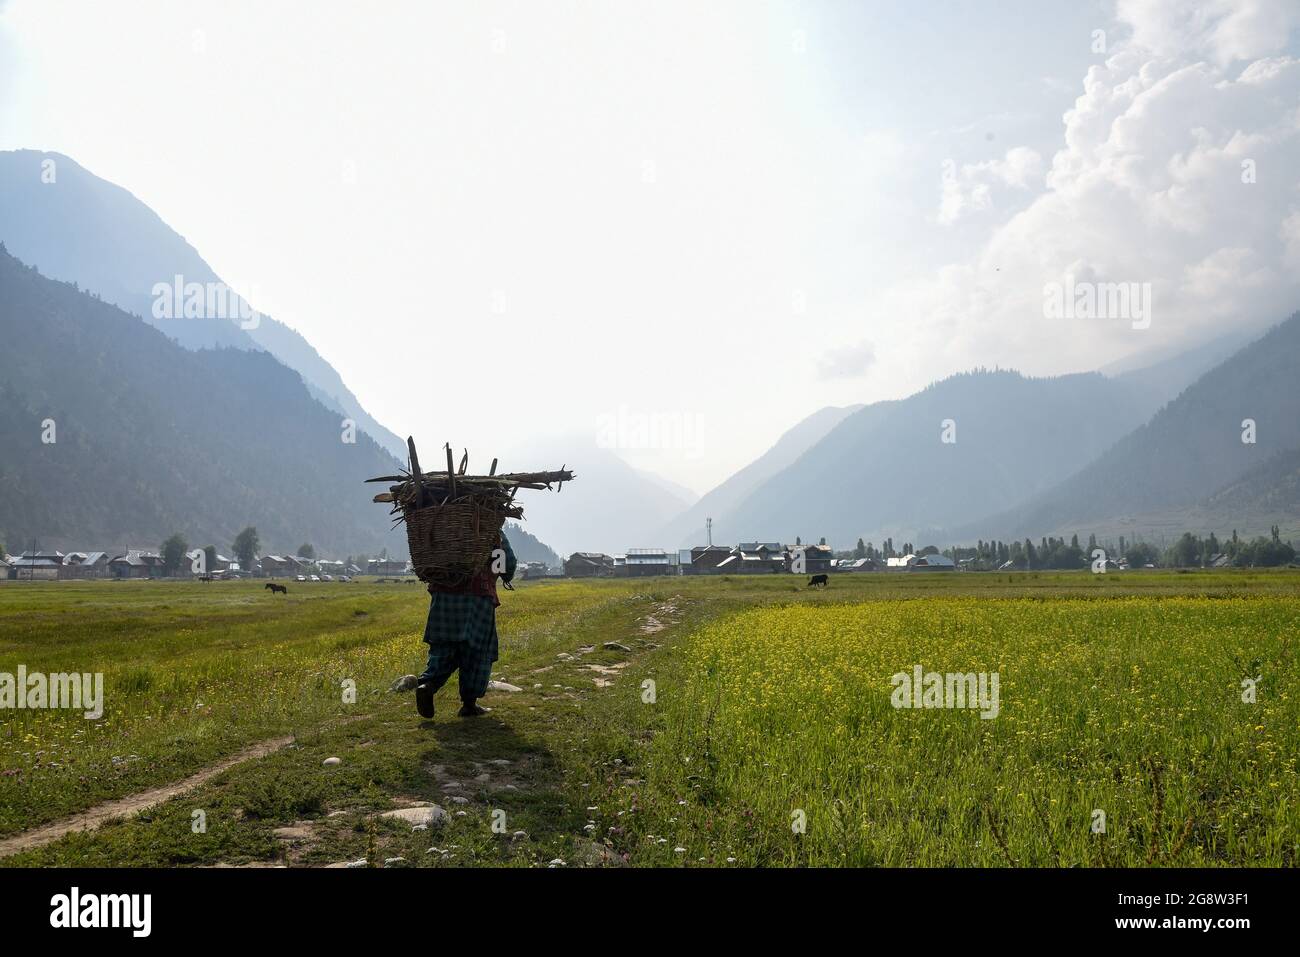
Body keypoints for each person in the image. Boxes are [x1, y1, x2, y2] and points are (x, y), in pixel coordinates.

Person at [415, 530, 516, 719]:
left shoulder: (442, 526)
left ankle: (427, 685)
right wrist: (501, 571)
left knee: (443, 647)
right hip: (477, 598)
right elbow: (505, 566)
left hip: (443, 597)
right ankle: (469, 704)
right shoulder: (492, 530)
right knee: (477, 651)